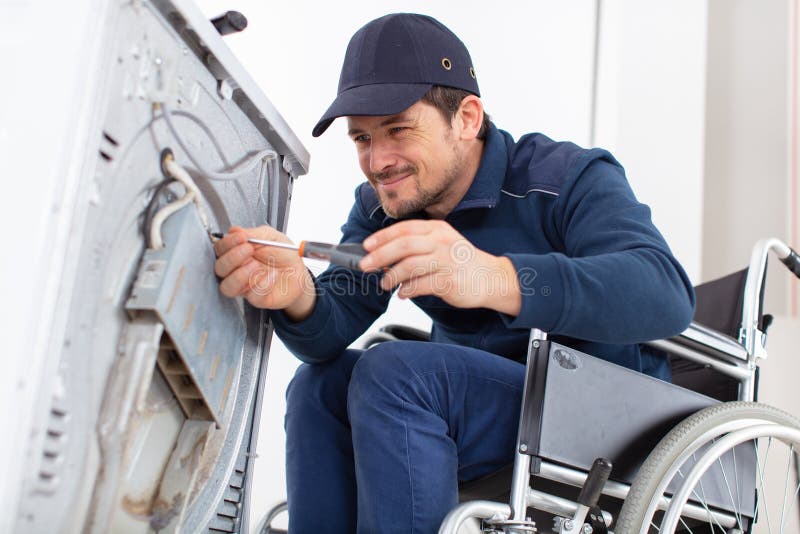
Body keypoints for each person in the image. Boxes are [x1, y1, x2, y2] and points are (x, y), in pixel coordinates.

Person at [213, 13, 695, 533]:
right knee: (318, 386)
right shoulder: (383, 207)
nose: (378, 161)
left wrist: (493, 277)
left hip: (597, 416)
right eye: (362, 140)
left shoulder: (567, 177)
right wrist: (297, 294)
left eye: (398, 129)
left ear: (466, 118)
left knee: (396, 373)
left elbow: (665, 293)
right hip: (472, 414)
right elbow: (333, 321)